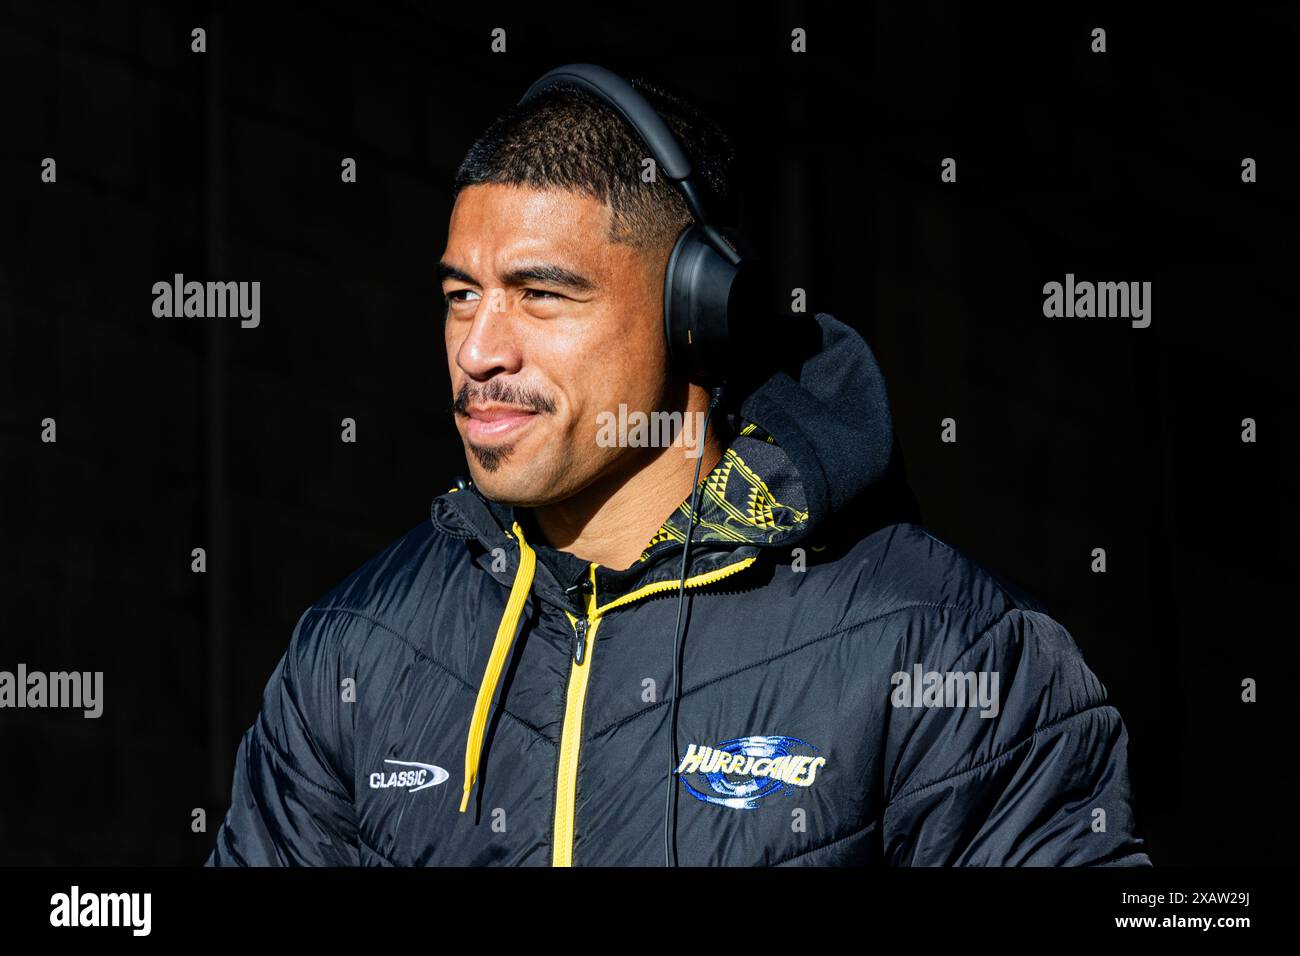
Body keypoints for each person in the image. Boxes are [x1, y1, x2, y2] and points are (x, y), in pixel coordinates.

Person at [206, 65, 1151, 866]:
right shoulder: (353, 653)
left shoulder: (952, 656)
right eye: (463, 294)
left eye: (541, 294)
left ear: (695, 315)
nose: (480, 350)